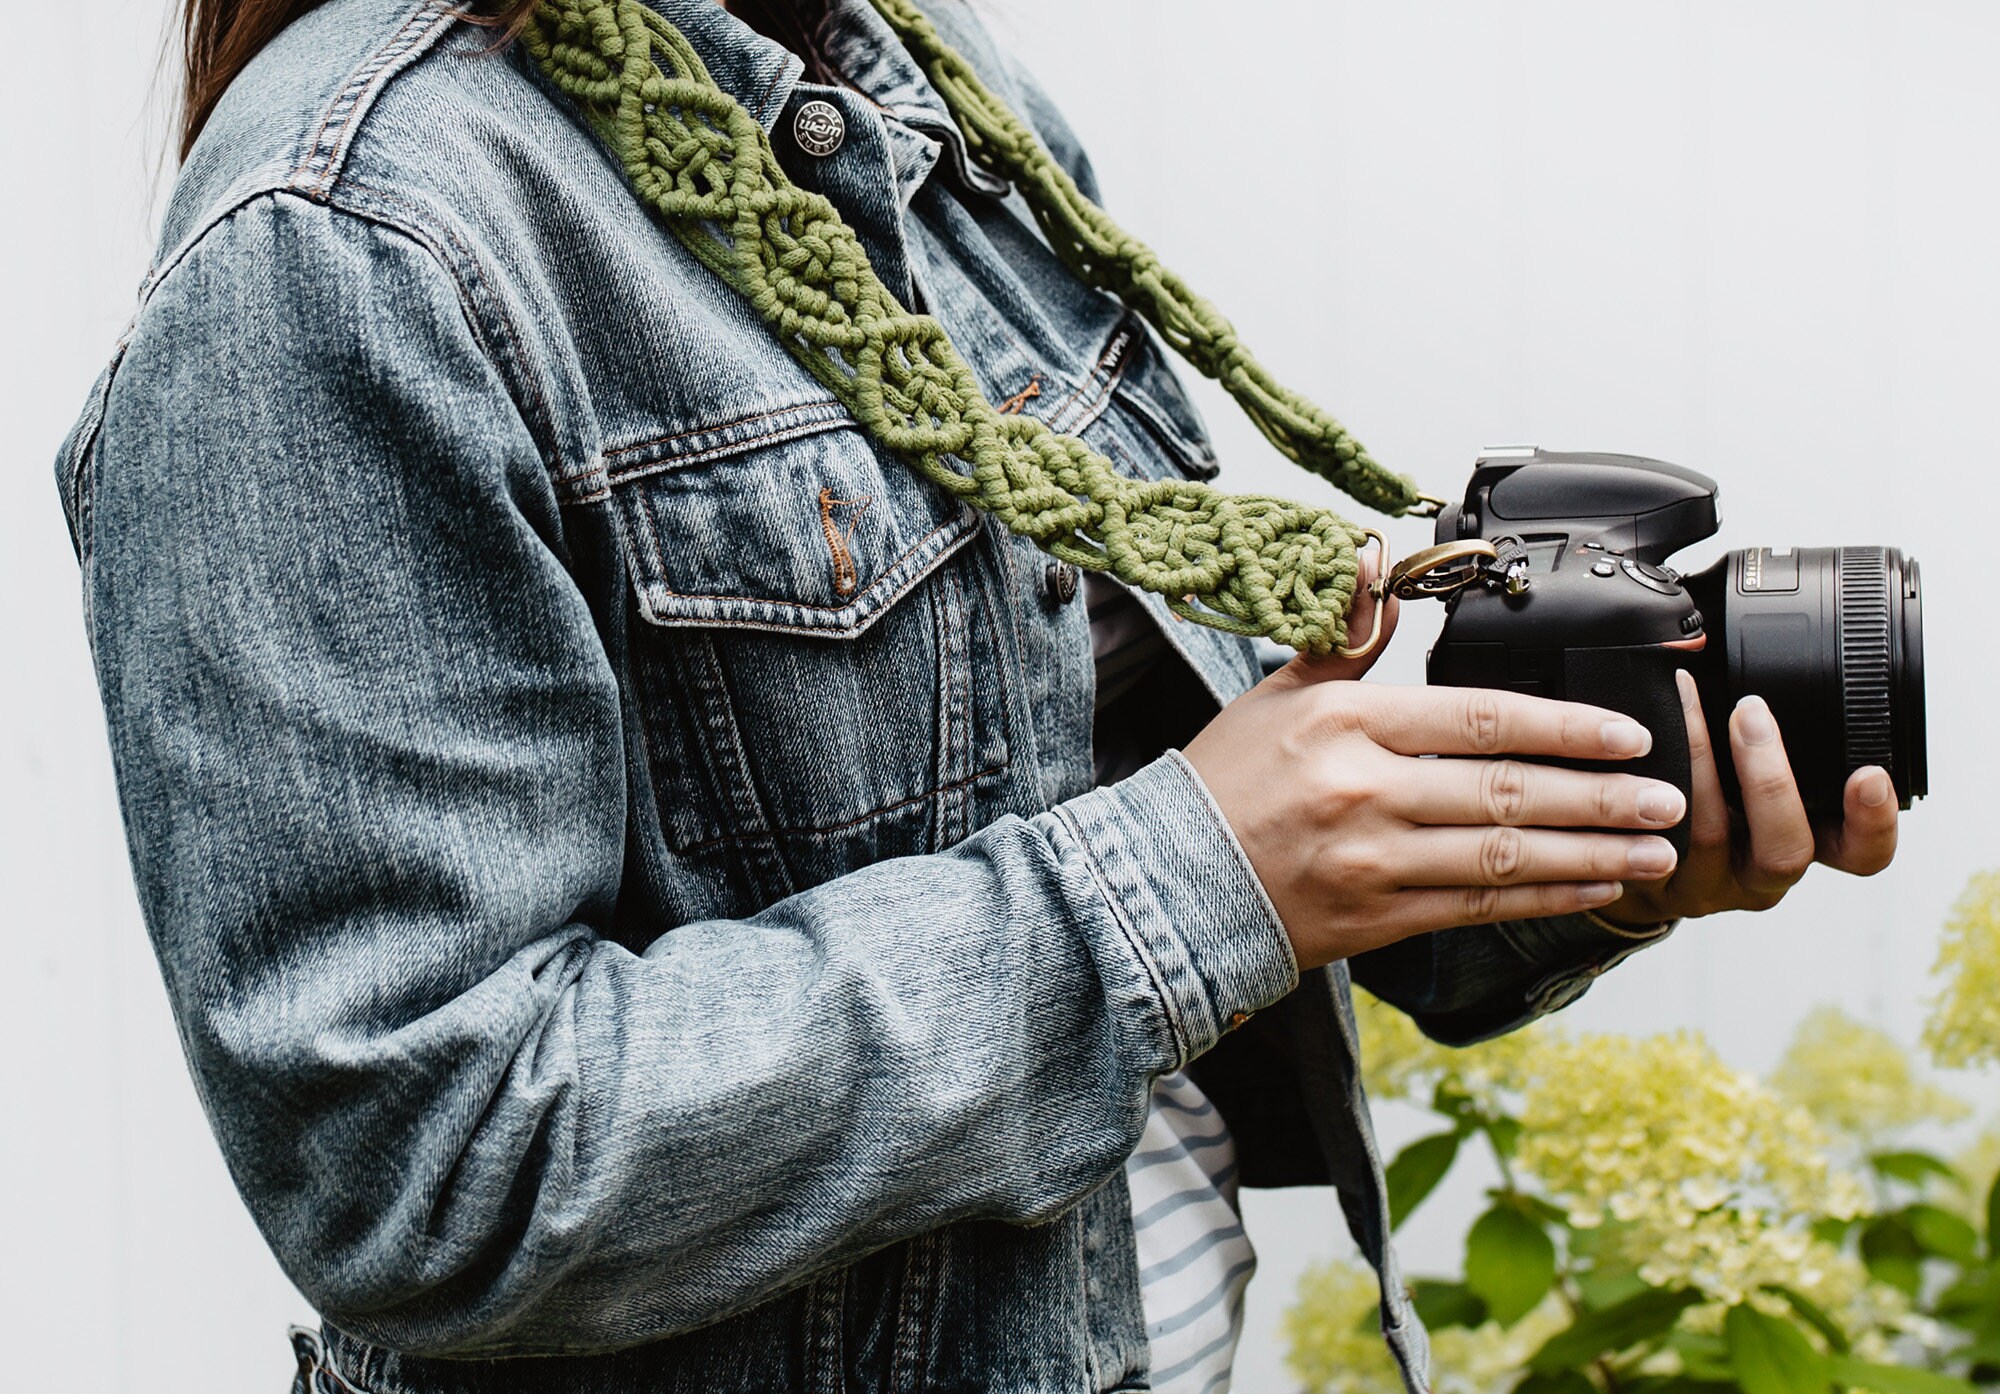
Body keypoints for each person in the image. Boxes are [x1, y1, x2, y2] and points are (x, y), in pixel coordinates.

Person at [53, 1, 1900, 1390]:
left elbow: (1185, 792)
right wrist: (1193, 880)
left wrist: (1601, 838)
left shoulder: (924, 91)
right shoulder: (342, 243)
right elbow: (427, 1159)